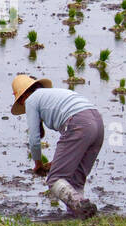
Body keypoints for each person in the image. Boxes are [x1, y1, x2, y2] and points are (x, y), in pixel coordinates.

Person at [9, 75, 101, 218]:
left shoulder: (32, 100)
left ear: (24, 96)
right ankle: (78, 214)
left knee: (54, 179)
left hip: (77, 123)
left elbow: (34, 139)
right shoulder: (53, 94)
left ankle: (80, 206)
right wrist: (57, 162)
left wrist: (38, 163)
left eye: (21, 101)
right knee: (76, 178)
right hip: (97, 122)